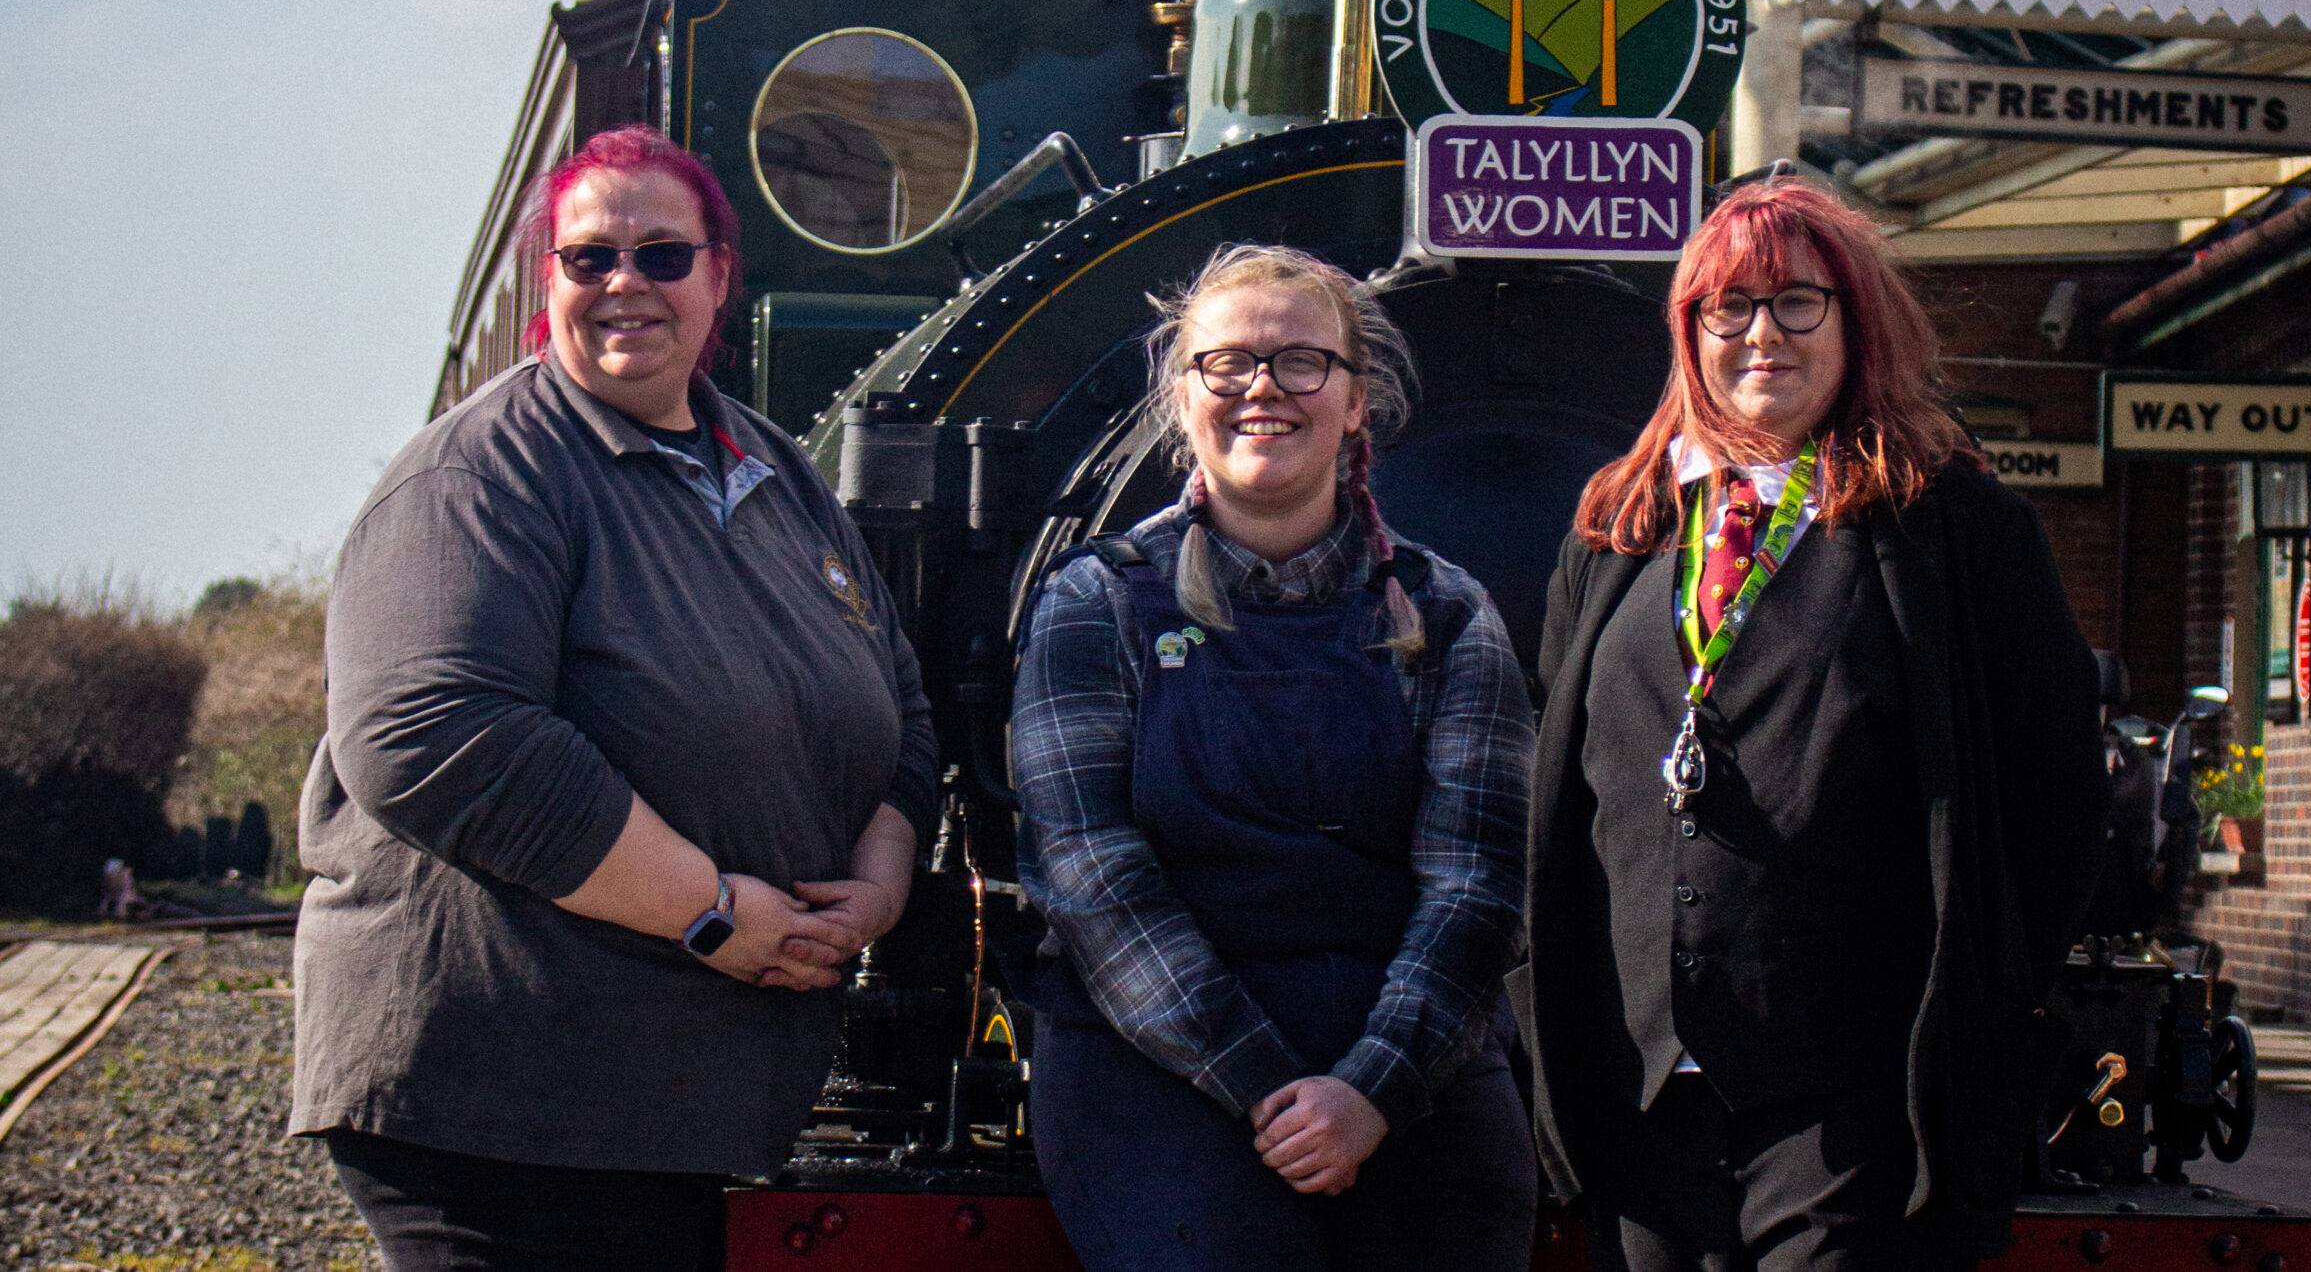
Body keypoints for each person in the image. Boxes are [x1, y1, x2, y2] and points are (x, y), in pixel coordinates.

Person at [293, 126, 938, 1272]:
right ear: (551, 283)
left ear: (721, 275)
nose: (625, 283)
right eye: (590, 258)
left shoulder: (773, 472)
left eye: (661, 254)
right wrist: (707, 906)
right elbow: (431, 733)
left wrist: (877, 890)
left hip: (667, 1101)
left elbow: (899, 706)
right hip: (507, 1096)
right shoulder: (483, 472)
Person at [1513, 174, 2104, 1272]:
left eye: (1797, 301)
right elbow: (1558, 787)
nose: (1760, 334)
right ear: (1687, 333)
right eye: (1725, 307)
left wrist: (1988, 993)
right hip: (1642, 1089)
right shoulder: (1616, 531)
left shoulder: (1957, 529)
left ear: (1855, 320)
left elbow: (2054, 794)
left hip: (1854, 1098)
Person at [1011, 243, 1538, 1272]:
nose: (1264, 388)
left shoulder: (1449, 610)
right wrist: (1266, 1089)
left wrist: (1371, 1090)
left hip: (1413, 1063)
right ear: (1181, 396)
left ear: (1355, 402)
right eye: (1228, 363)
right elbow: (1092, 878)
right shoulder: (1095, 602)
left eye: (1302, 362)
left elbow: (1476, 885)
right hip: (1161, 1063)